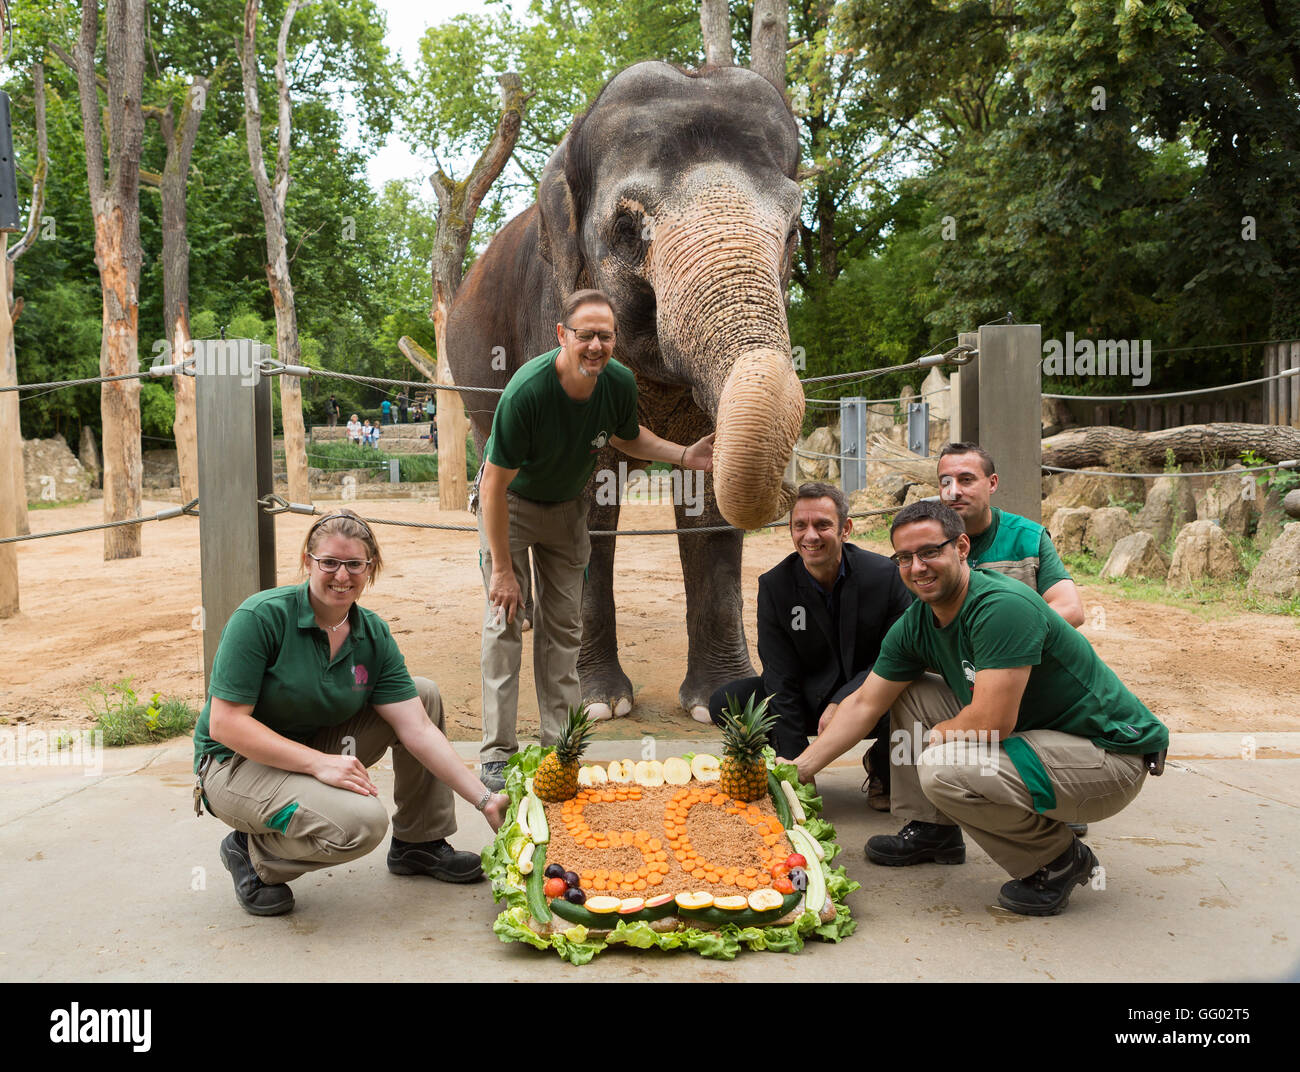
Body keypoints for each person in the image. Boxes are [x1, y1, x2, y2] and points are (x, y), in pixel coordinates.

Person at [790, 500, 1168, 916]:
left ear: (962, 548)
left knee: (944, 766)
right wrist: (799, 770)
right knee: (910, 691)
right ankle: (934, 829)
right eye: (905, 557)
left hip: (1107, 758)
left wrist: (933, 741)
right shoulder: (918, 621)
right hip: (1045, 737)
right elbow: (864, 702)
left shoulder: (1001, 606)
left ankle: (1058, 860)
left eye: (931, 551)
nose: (917, 567)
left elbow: (991, 722)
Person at [192, 510, 509, 917]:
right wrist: (320, 764)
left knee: (422, 694)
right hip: (233, 763)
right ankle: (252, 854)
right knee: (360, 825)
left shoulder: (371, 632)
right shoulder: (261, 618)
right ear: (308, 561)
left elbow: (418, 728)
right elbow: (226, 723)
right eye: (329, 562)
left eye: (354, 564)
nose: (342, 575)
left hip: (309, 746)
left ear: (369, 568)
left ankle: (419, 843)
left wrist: (484, 799)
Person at [475, 288, 714, 790]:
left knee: (564, 630)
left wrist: (684, 455)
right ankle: (497, 753)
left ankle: (559, 747)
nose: (596, 346)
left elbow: (628, 436)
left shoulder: (618, 382)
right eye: (585, 335)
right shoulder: (528, 391)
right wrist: (501, 570)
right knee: (505, 625)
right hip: (512, 507)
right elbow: (493, 484)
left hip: (567, 509)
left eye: (605, 336)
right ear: (563, 335)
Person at [708, 482, 912, 809]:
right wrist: (798, 763)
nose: (810, 536)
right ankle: (780, 769)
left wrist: (844, 700)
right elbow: (779, 676)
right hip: (806, 701)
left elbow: (894, 658)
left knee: (912, 692)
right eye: (800, 525)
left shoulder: (886, 576)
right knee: (726, 701)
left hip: (871, 697)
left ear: (845, 528)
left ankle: (882, 766)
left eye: (822, 525)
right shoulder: (775, 586)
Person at [937, 441, 1084, 626]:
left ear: (992, 483)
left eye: (966, 480)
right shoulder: (924, 541)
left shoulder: (1028, 537)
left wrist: (1003, 633)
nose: (954, 491)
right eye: (946, 482)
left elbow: (1071, 609)